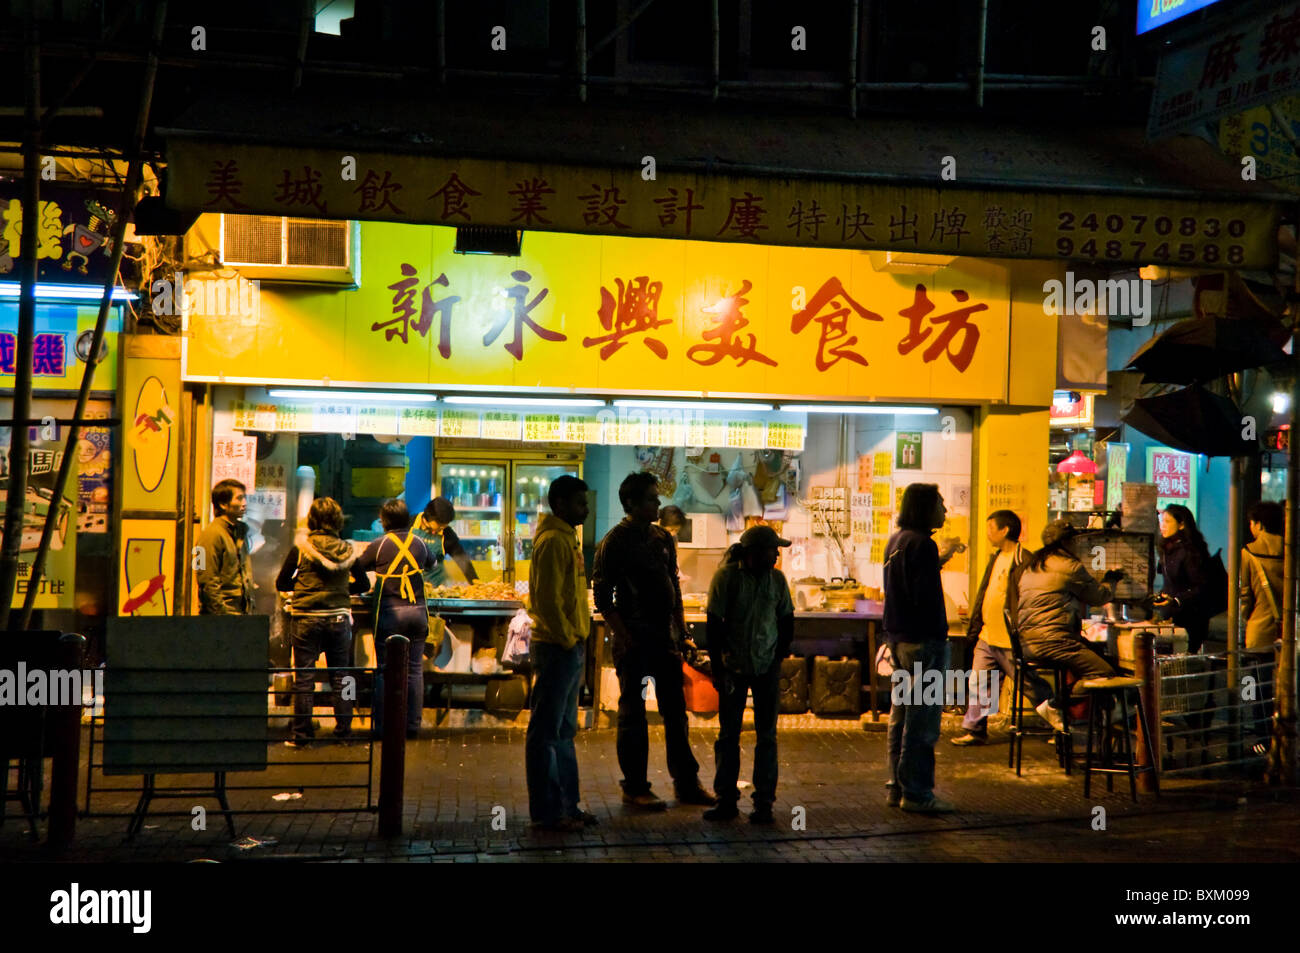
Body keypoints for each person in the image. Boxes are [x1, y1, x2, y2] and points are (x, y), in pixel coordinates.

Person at [591, 472, 716, 811]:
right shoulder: (614, 542)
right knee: (634, 714)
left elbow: (673, 587)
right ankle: (635, 786)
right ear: (631, 503)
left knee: (675, 712)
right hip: (635, 646)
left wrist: (684, 634)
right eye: (650, 498)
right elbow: (603, 598)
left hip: (665, 642)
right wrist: (625, 635)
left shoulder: (662, 537)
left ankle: (686, 784)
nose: (657, 503)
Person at [702, 525, 794, 824]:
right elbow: (713, 625)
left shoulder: (777, 580)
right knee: (729, 735)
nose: (777, 554)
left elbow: (787, 620)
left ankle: (764, 803)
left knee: (767, 736)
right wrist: (717, 668)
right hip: (734, 667)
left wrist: (778, 659)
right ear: (755, 553)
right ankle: (726, 801)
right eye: (773, 549)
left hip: (766, 667)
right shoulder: (727, 578)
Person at [881, 483, 963, 814]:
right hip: (924, 645)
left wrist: (940, 557)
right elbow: (923, 595)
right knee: (923, 723)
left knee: (900, 718)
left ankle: (896, 787)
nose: (945, 510)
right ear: (924, 508)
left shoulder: (897, 542)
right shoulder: (922, 545)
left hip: (900, 642)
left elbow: (910, 583)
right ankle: (917, 794)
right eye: (940, 504)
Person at [525, 475, 595, 833]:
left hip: (569, 646)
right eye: (581, 503)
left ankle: (568, 806)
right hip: (556, 648)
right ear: (562, 504)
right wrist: (569, 640)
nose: (586, 509)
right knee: (547, 734)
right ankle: (548, 814)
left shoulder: (567, 539)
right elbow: (548, 601)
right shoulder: (553, 541)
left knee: (564, 732)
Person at [951, 510, 1054, 746]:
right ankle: (975, 729)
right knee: (978, 681)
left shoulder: (1024, 560)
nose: (987, 533)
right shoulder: (995, 557)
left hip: (1010, 639)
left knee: (1030, 684)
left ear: (1004, 530)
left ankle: (1061, 721)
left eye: (990, 528)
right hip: (988, 635)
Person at [275, 497, 370, 747]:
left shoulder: (301, 548)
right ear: (337, 520)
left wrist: (303, 589)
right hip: (339, 620)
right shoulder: (348, 550)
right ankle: (344, 733)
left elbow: (281, 583)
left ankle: (302, 736)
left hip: (306, 619)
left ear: (313, 520)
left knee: (304, 678)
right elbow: (364, 584)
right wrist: (341, 591)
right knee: (343, 677)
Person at [1014, 519, 1122, 717]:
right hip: (1054, 642)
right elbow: (1099, 597)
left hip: (1027, 643)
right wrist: (1111, 580)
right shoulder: (1068, 565)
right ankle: (1055, 706)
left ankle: (1109, 709)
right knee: (1104, 672)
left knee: (1095, 654)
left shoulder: (1033, 565)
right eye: (1074, 540)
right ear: (1066, 542)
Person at [354, 499, 433, 739]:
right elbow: (433, 563)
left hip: (390, 615)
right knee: (414, 670)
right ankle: (412, 726)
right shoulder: (419, 542)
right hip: (418, 613)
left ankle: (381, 727)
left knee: (384, 671)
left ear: (384, 521)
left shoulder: (379, 544)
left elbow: (357, 566)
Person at [1240, 501, 1284, 755]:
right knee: (1284, 690)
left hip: (1258, 631)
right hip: (1286, 633)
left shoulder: (1249, 552)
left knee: (1255, 688)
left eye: (1252, 523)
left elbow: (1246, 595)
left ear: (1260, 523)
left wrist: (1247, 618)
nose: (1250, 527)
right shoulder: (1290, 550)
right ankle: (1283, 740)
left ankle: (1261, 742)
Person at [1154, 503, 1221, 654]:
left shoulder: (1190, 551)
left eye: (1168, 522)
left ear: (1182, 524)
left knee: (1185, 665)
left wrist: (1177, 600)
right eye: (1161, 521)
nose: (1162, 526)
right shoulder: (1167, 549)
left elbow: (1201, 587)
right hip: (1171, 617)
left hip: (1191, 619)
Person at [196, 478, 255, 615]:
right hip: (223, 613)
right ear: (223, 504)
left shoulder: (239, 531)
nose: (244, 503)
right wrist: (221, 615)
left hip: (240, 609)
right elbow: (206, 580)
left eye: (245, 498)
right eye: (239, 499)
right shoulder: (210, 535)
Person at [413, 497, 479, 589]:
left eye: (445, 526)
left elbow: (463, 560)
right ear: (429, 517)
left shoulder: (447, 534)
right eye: (440, 526)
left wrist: (476, 584)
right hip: (411, 588)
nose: (442, 528)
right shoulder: (408, 525)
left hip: (437, 589)